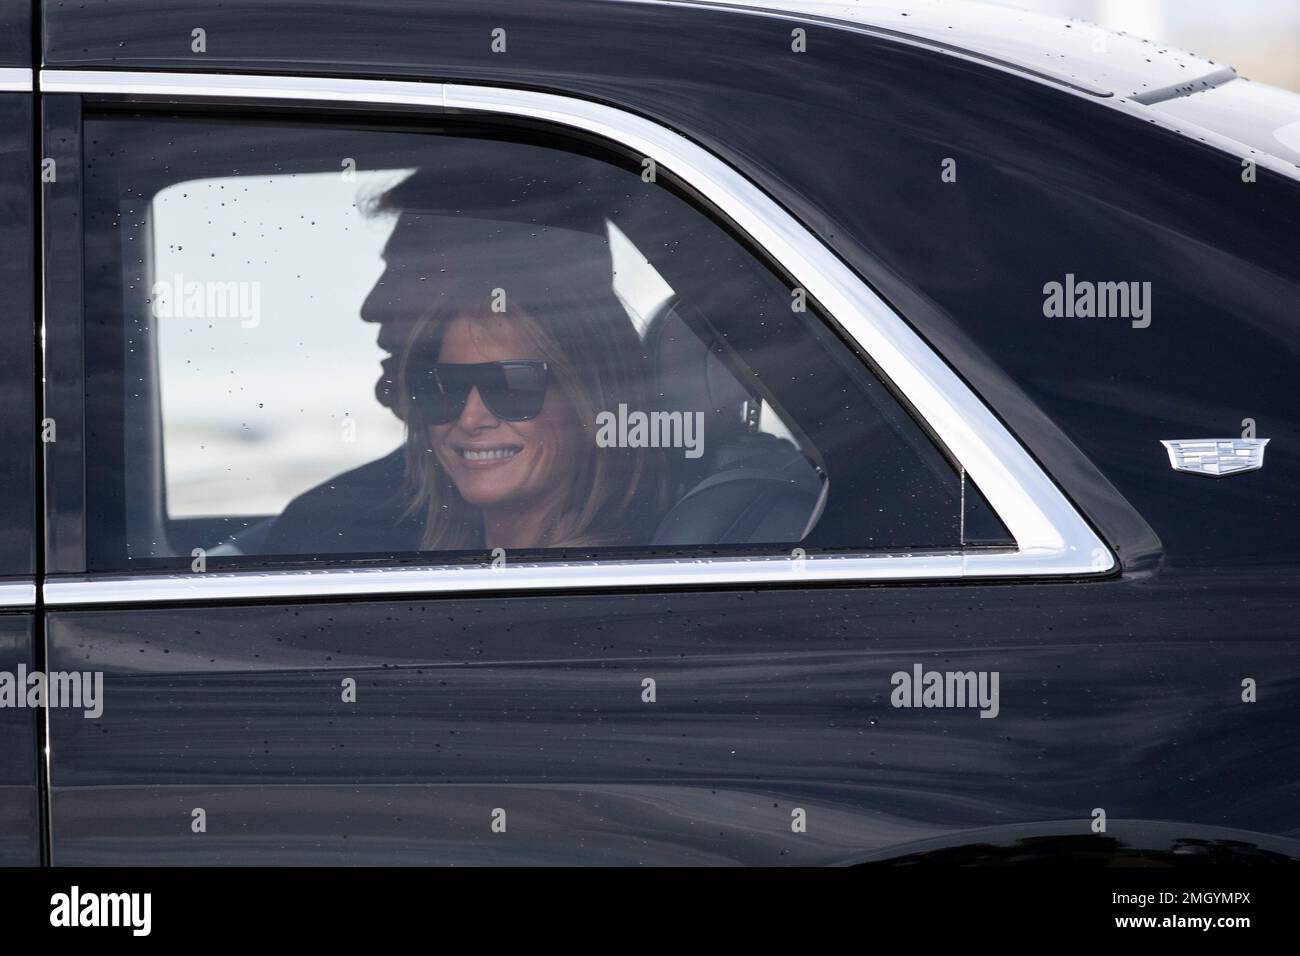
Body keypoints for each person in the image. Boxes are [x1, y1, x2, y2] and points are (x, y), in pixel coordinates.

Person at [260, 159, 666, 556]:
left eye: (415, 273)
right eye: (448, 384)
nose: (373, 305)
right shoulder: (349, 522)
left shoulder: (336, 529)